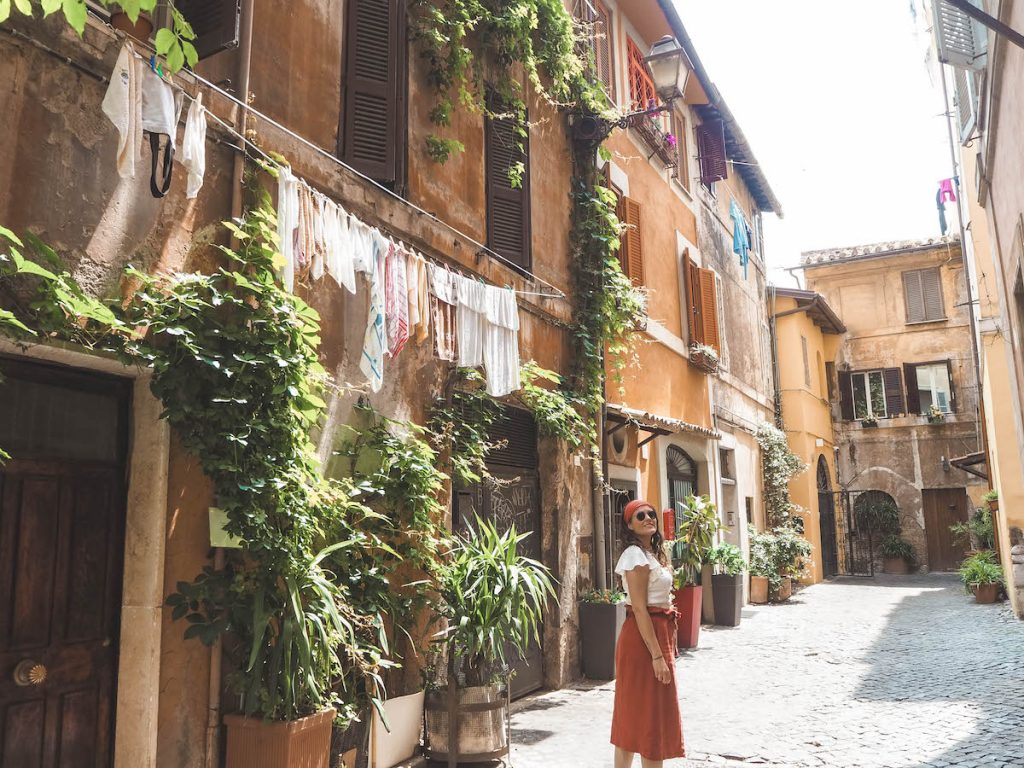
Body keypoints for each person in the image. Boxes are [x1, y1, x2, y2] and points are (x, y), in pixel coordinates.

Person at [610, 499, 685, 767]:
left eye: (651, 513)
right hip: (644, 639)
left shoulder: (651, 553)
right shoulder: (635, 556)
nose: (648, 518)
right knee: (648, 717)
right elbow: (640, 609)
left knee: (638, 715)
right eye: (639, 516)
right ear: (629, 525)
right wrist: (657, 655)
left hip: (654, 633)